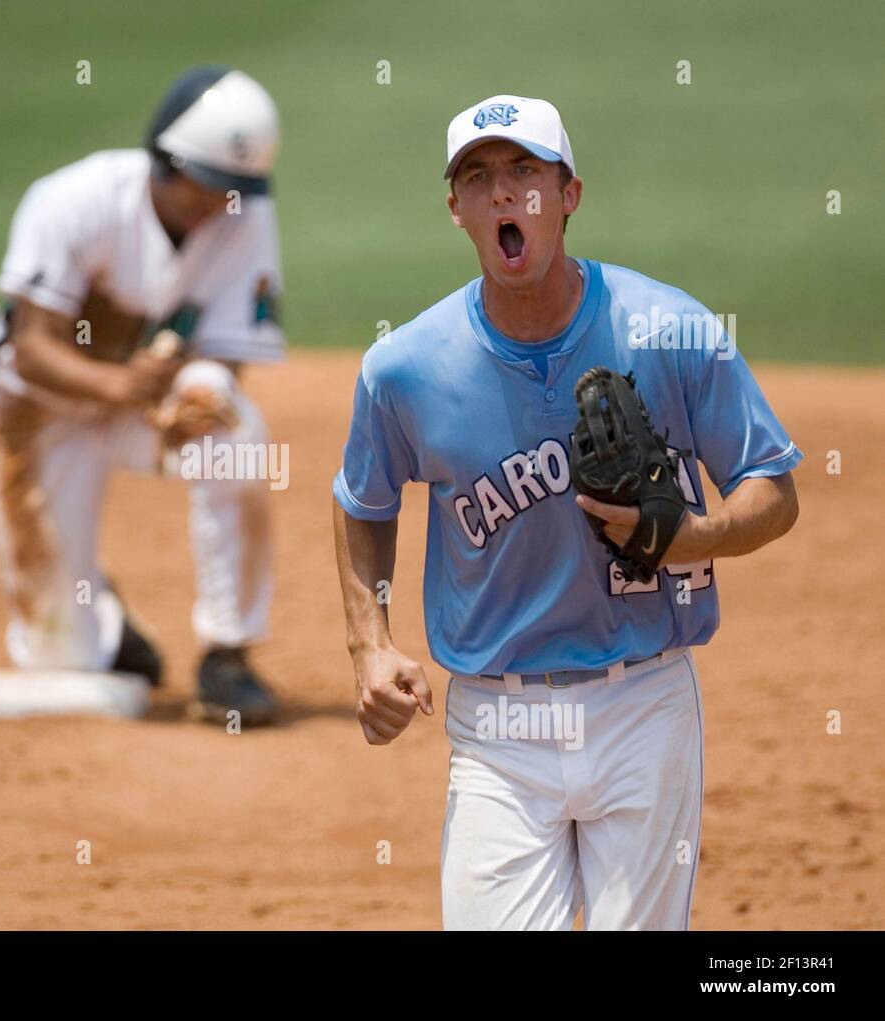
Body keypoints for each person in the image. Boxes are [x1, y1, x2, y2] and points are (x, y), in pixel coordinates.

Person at [331, 94, 802, 928]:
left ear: (569, 194)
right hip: (496, 725)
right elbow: (363, 501)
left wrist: (706, 534)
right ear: (457, 210)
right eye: (478, 178)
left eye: (525, 173)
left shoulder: (668, 330)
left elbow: (772, 481)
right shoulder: (403, 369)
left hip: (644, 705)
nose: (504, 194)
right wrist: (370, 643)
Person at [0, 66, 285, 725]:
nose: (223, 203)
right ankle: (106, 622)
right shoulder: (73, 200)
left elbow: (228, 350)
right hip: (41, 413)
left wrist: (202, 392)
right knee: (62, 658)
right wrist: (119, 383)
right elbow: (31, 344)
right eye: (210, 183)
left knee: (236, 436)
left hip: (146, 412)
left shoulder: (243, 216)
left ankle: (227, 653)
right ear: (166, 161)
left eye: (238, 188)